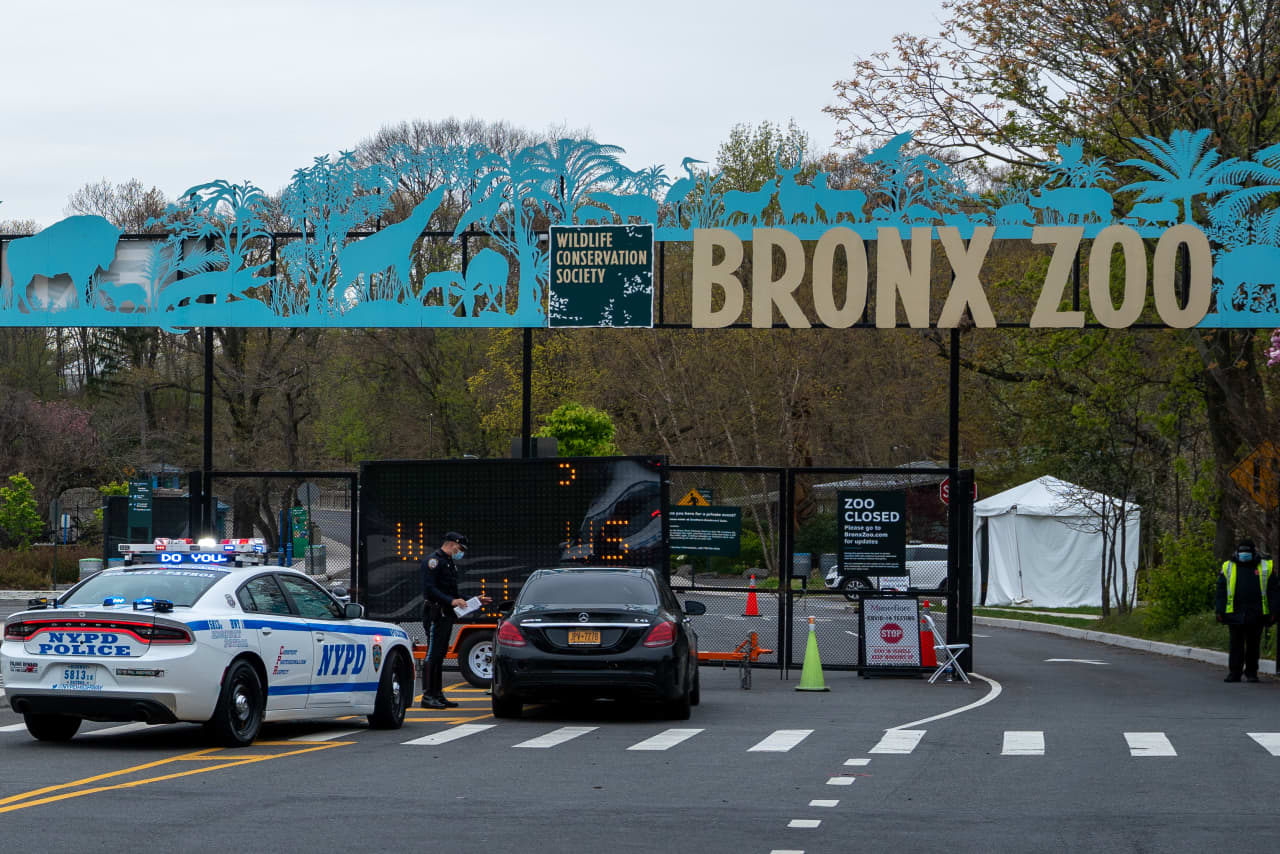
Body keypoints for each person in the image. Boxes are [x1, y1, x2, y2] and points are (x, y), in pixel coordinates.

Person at [420, 532, 490, 709]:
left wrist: (473, 599)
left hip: (446, 614)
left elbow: (453, 592)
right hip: (435, 612)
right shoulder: (433, 561)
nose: (461, 552)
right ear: (451, 544)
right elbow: (430, 589)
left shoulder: (449, 563)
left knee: (440, 654)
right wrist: (451, 601)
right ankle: (428, 695)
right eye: (460, 548)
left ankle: (438, 694)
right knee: (433, 654)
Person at [1214, 538, 1276, 683]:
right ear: (1237, 552)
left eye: (1247, 552)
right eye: (1242, 552)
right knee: (1236, 644)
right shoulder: (1228, 566)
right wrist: (1219, 610)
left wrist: (1274, 611)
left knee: (1253, 645)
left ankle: (1251, 672)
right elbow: (1221, 591)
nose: (1244, 554)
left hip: (1257, 612)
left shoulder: (1265, 566)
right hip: (1235, 612)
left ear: (1254, 552)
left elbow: (1274, 591)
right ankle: (1234, 673)